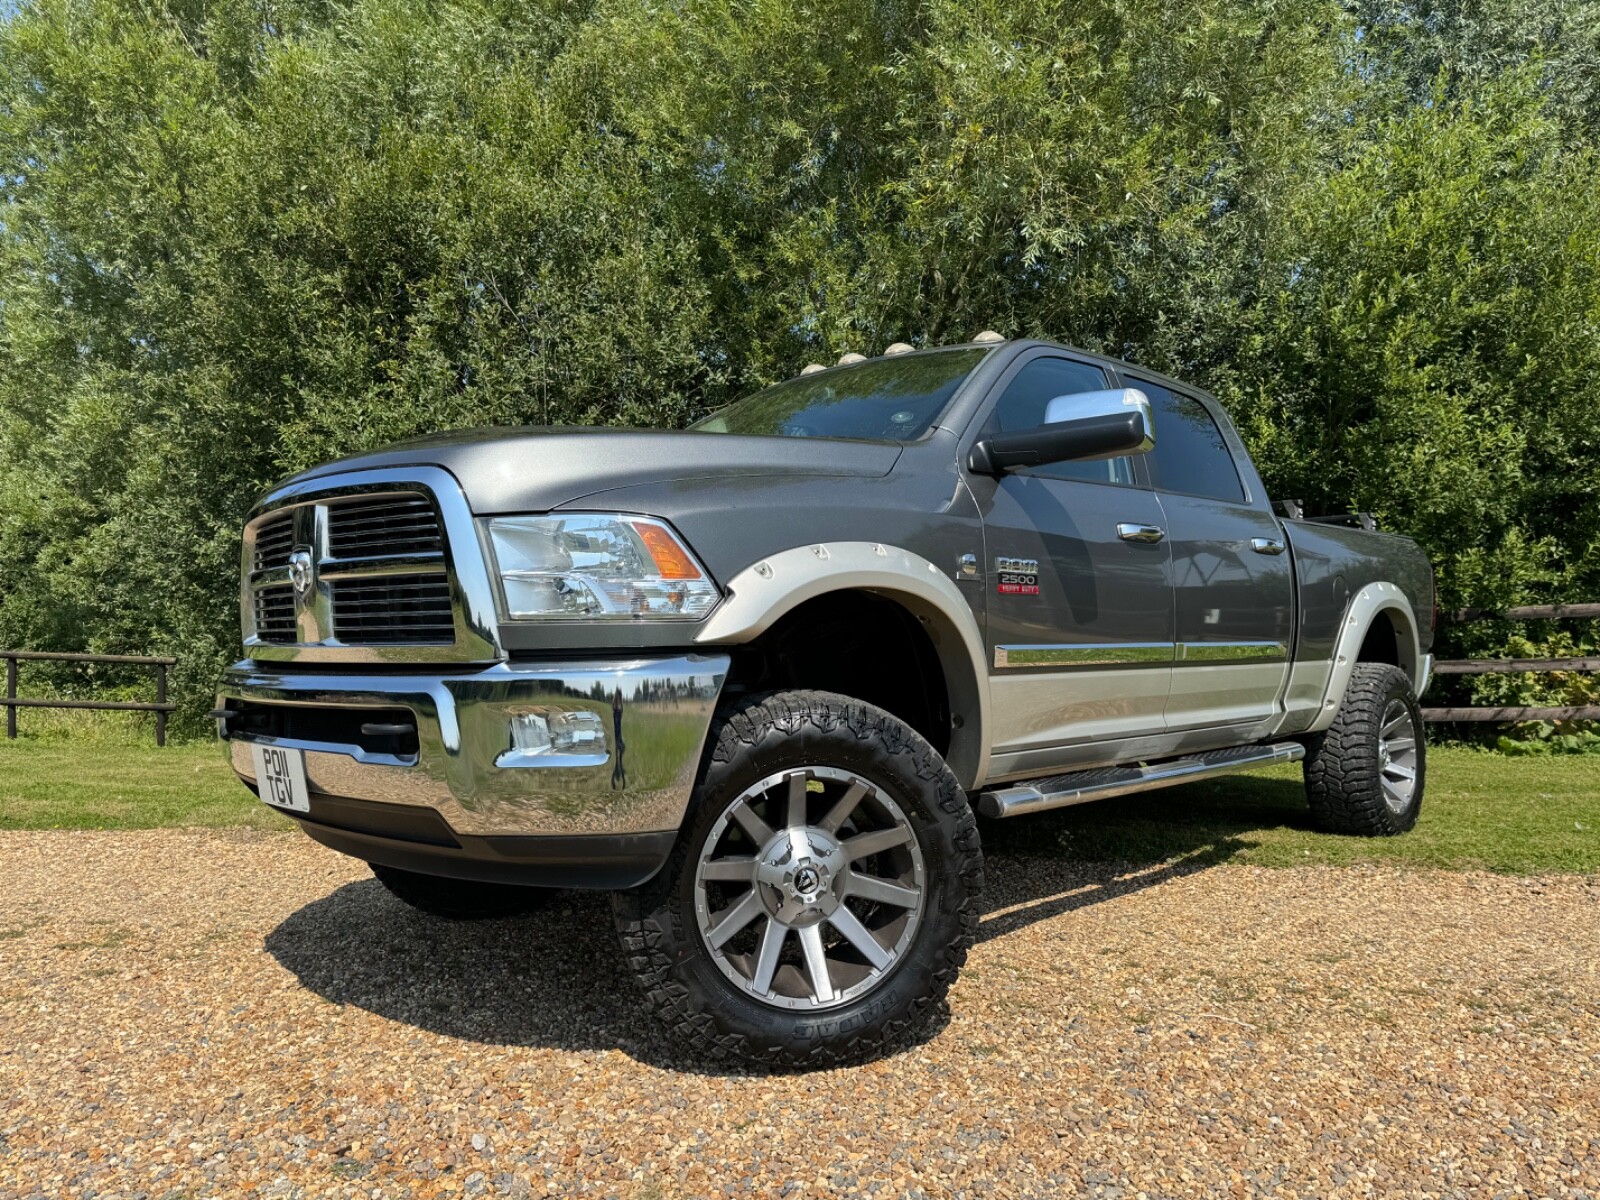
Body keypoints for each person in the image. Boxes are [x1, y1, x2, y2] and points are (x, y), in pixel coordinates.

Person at [610, 686, 627, 790]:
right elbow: (614, 705)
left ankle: (619, 767)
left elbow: (620, 707)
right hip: (617, 735)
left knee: (620, 754)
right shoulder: (616, 710)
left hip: (618, 734)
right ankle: (618, 768)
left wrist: (618, 697)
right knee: (618, 754)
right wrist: (617, 696)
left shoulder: (619, 710)